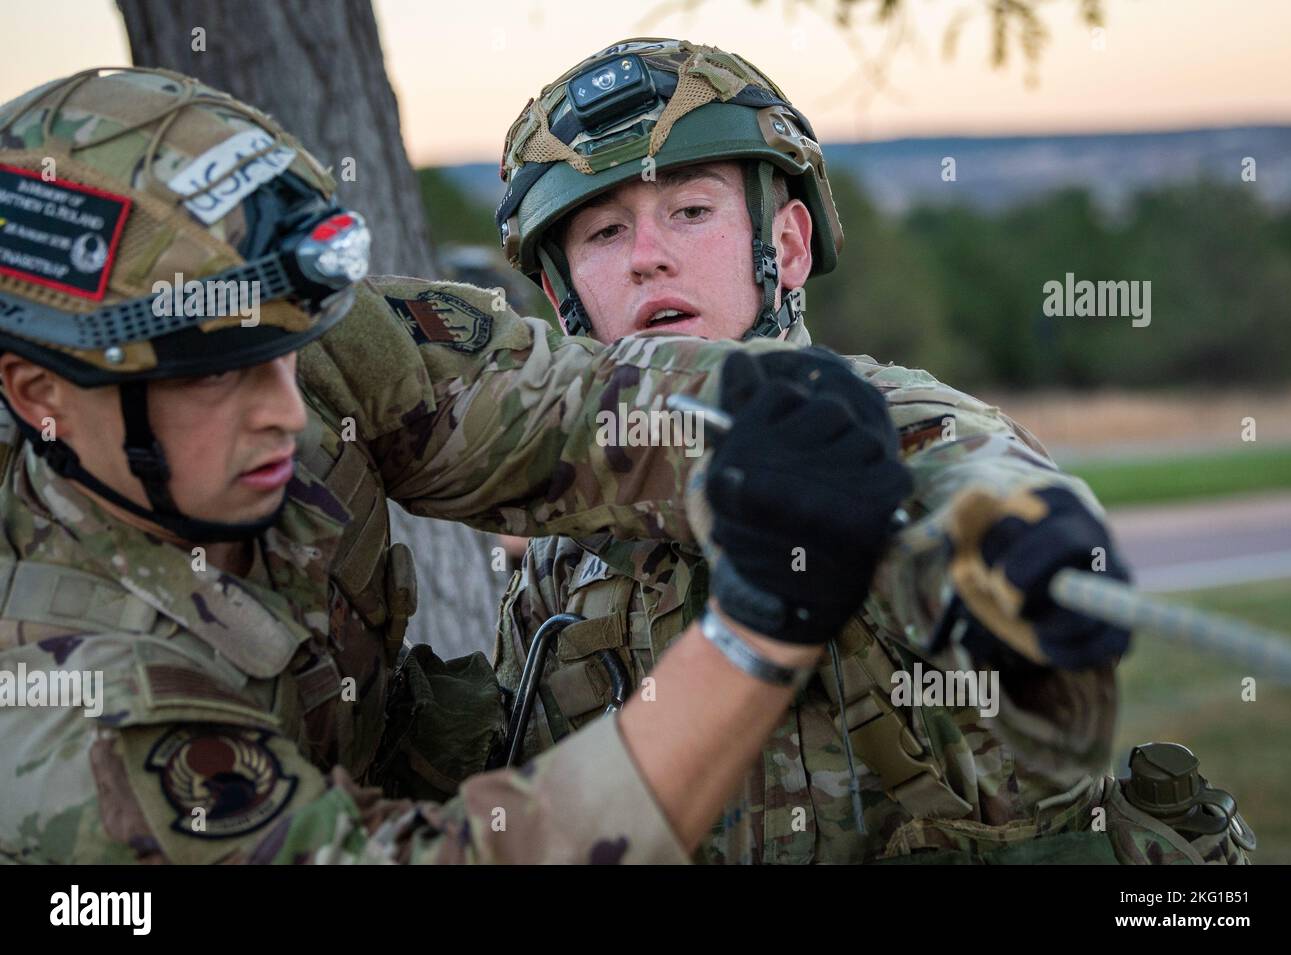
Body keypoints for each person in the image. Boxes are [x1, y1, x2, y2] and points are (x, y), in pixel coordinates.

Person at [0, 67, 909, 863]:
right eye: (213, 381)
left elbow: (561, 409)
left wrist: (802, 434)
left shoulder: (260, 338)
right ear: (40, 393)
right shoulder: (71, 727)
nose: (287, 409)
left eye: (288, 355)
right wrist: (755, 638)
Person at [493, 38, 1254, 864]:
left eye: (690, 210)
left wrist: (1030, 536)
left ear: (784, 247)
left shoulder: (898, 426)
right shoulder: (571, 547)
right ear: (564, 301)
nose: (647, 255)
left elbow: (974, 469)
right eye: (605, 231)